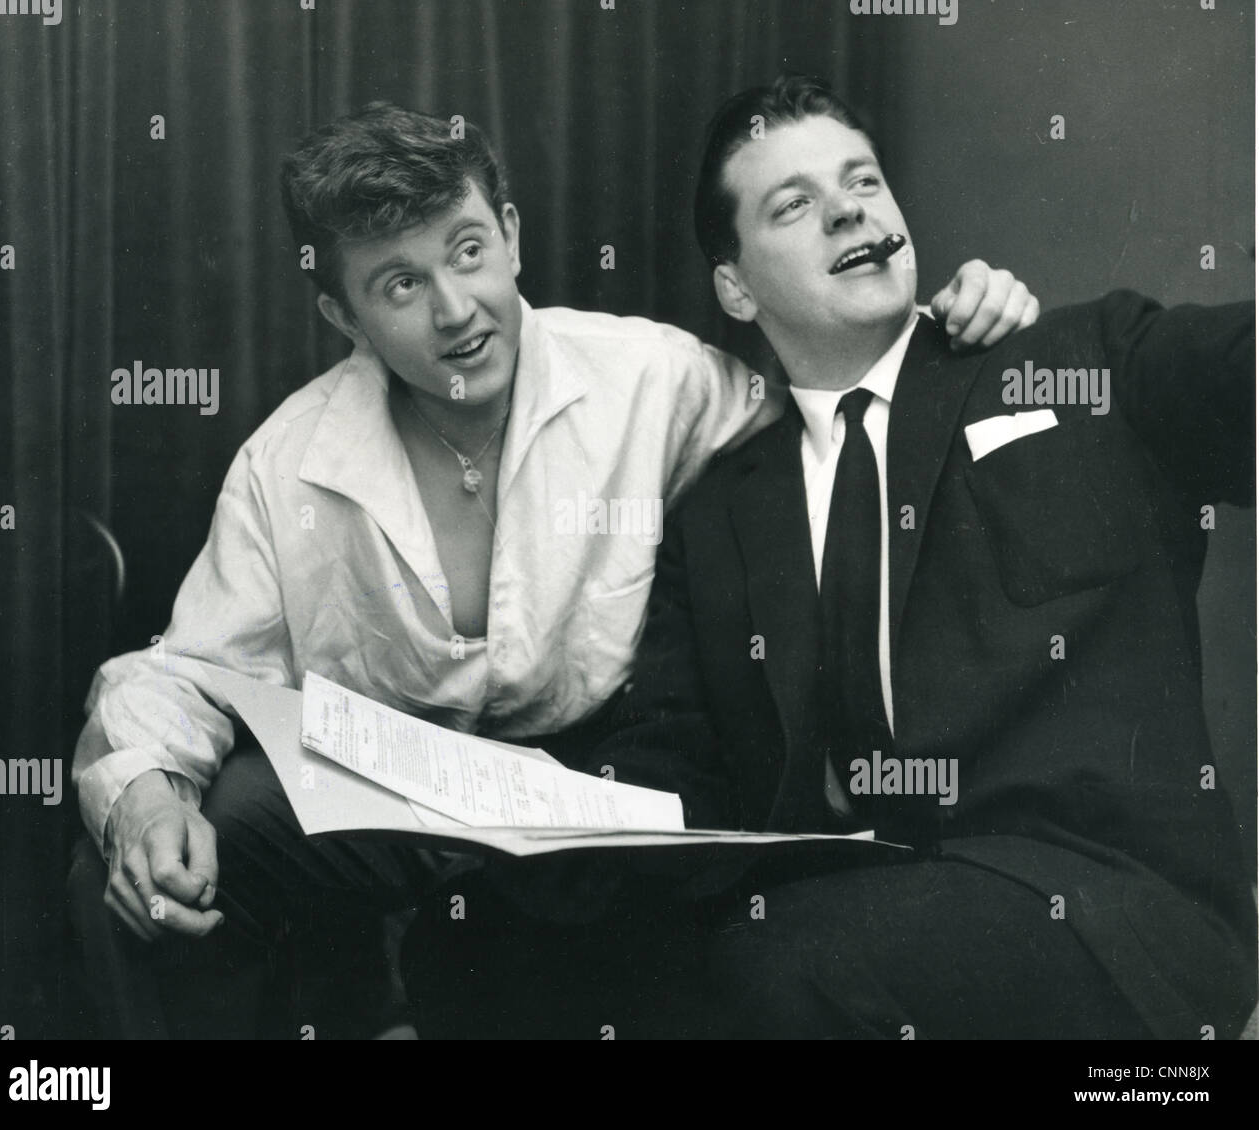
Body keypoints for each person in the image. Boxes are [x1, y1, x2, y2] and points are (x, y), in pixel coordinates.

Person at [67, 99, 1039, 1038]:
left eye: (467, 249)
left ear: (513, 236)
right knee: (159, 860)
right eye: (400, 284)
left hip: (606, 794)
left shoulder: (650, 378)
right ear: (341, 313)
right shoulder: (289, 462)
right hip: (400, 796)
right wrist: (147, 794)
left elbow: (832, 416)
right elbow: (183, 669)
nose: (457, 311)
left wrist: (948, 332)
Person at [401, 75, 1257, 1040]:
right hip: (839, 897)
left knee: (780, 967)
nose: (850, 206)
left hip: (1101, 911)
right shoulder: (719, 511)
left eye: (863, 181)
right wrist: (504, 806)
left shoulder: (1075, 360)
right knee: (465, 942)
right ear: (734, 285)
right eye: (795, 204)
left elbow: (1237, 365)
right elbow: (675, 762)